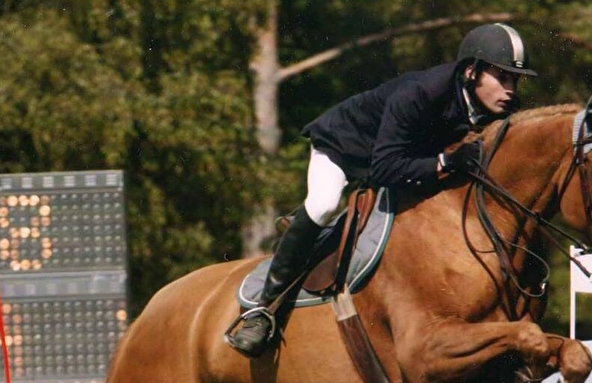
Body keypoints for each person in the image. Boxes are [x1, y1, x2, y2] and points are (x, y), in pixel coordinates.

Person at [225, 23, 536, 357]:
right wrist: (446, 163)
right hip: (343, 149)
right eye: (502, 78)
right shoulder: (421, 93)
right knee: (324, 205)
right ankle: (263, 308)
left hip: (397, 158)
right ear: (472, 72)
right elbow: (386, 168)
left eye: (514, 80)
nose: (510, 89)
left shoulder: (491, 106)